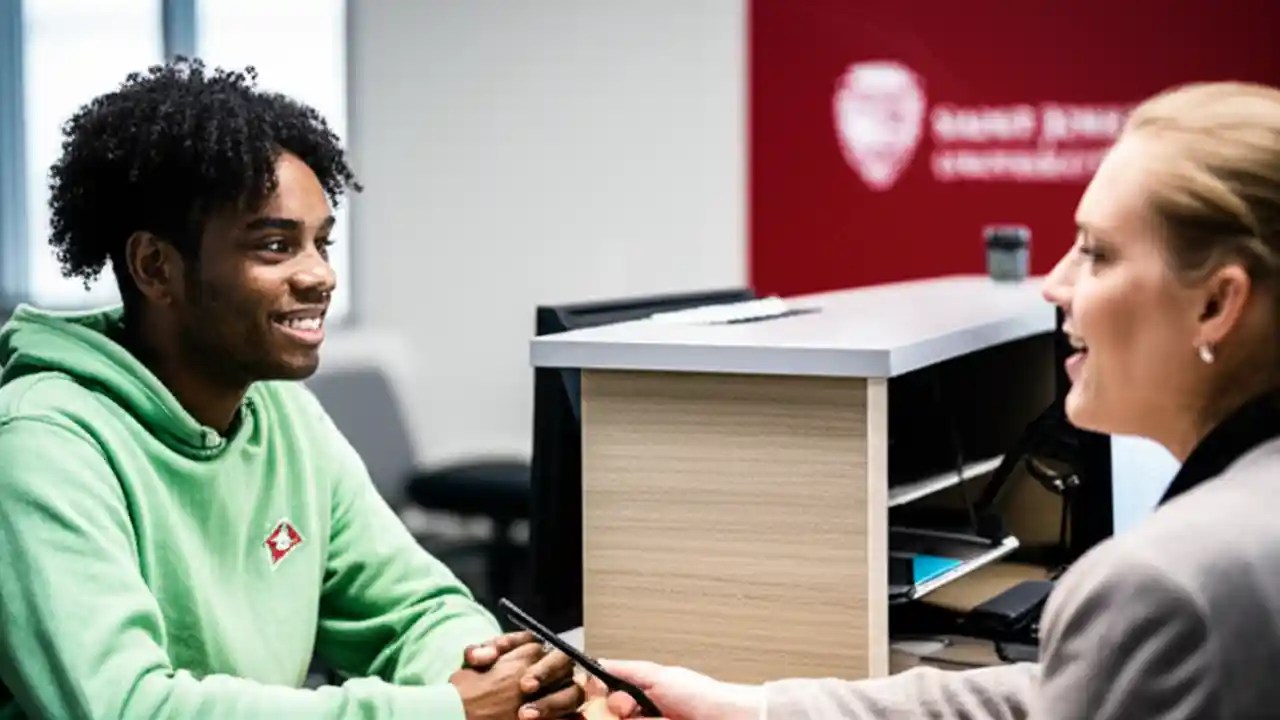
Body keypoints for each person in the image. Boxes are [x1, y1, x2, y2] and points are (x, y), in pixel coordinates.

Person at [593, 79, 1280, 719]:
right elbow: (1059, 692)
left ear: (1217, 303)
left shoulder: (1169, 586)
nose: (1056, 285)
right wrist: (755, 709)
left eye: (1096, 253)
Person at [0, 59, 582, 719]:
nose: (320, 276)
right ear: (156, 267)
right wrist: (445, 711)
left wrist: (507, 679)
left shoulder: (285, 417)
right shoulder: (42, 445)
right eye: (275, 246)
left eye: (321, 244)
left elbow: (412, 610)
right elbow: (125, 707)